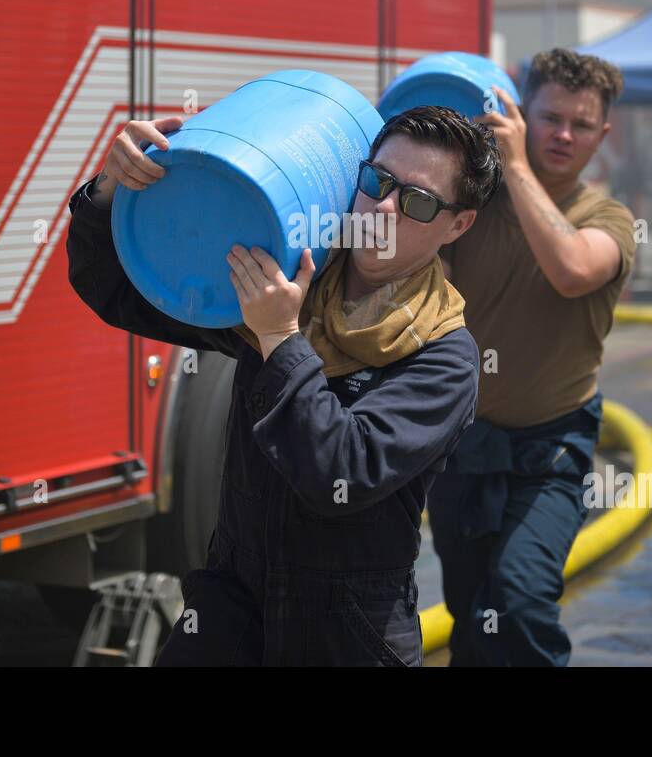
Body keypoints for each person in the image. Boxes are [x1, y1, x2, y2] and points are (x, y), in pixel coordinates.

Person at [66, 104, 500, 666]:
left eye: (417, 202)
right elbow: (113, 290)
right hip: (229, 605)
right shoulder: (293, 275)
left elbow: (340, 471)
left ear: (458, 224)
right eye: (378, 181)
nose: (384, 208)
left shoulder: (443, 354)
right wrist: (109, 190)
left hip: (348, 632)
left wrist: (280, 338)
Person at [427, 49, 637, 666]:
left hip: (552, 450)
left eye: (580, 123)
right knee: (473, 615)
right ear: (520, 113)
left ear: (603, 134)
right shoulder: (474, 205)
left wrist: (516, 165)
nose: (564, 134)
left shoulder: (611, 219)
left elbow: (572, 270)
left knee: (520, 601)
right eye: (550, 118)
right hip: (463, 443)